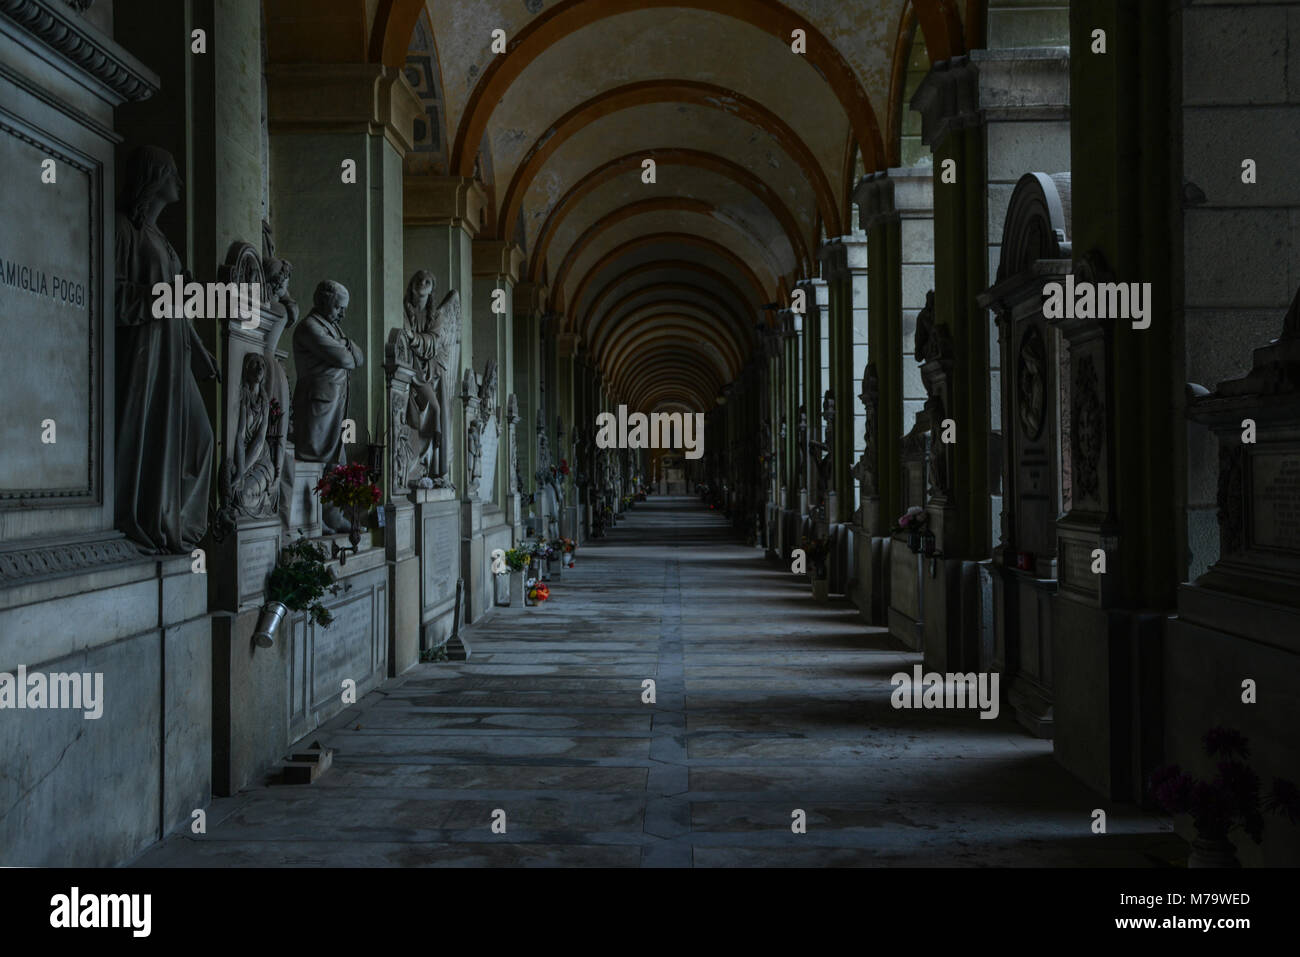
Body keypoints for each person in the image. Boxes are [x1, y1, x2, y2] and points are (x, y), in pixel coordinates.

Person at [114, 146, 217, 553]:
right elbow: (115, 296)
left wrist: (202, 351)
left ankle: (180, 527)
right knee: (153, 434)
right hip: (147, 352)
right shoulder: (125, 230)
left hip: (175, 350)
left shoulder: (160, 238)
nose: (179, 181)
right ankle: (147, 520)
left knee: (200, 438)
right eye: (173, 173)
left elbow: (180, 307)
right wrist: (165, 296)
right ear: (154, 178)